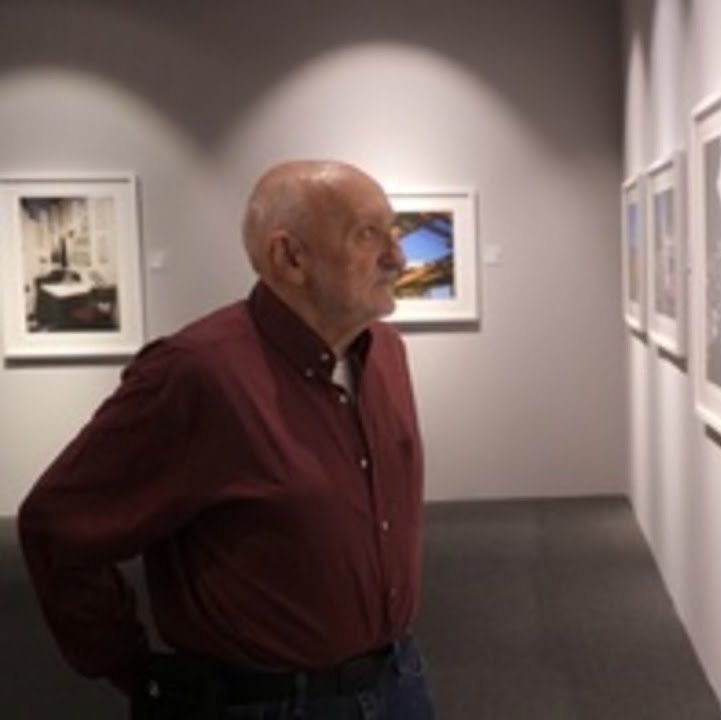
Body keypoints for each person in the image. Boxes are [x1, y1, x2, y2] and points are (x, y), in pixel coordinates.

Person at [18, 160, 436, 719]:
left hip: (398, 684)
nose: (398, 257)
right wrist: (130, 665)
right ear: (288, 258)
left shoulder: (385, 354)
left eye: (395, 232)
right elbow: (57, 524)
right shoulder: (197, 372)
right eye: (367, 235)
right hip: (270, 704)